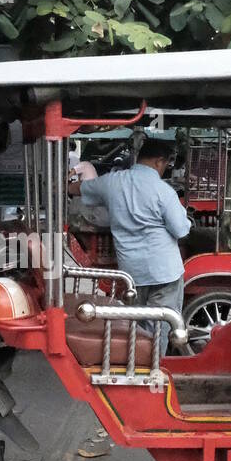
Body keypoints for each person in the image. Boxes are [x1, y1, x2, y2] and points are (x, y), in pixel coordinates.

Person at [67, 138, 191, 354]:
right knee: (160, 324)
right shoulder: (164, 191)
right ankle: (155, 371)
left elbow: (79, 188)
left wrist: (64, 183)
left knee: (139, 326)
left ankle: (139, 368)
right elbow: (181, 230)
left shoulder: (112, 182)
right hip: (165, 272)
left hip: (132, 273)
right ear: (160, 161)